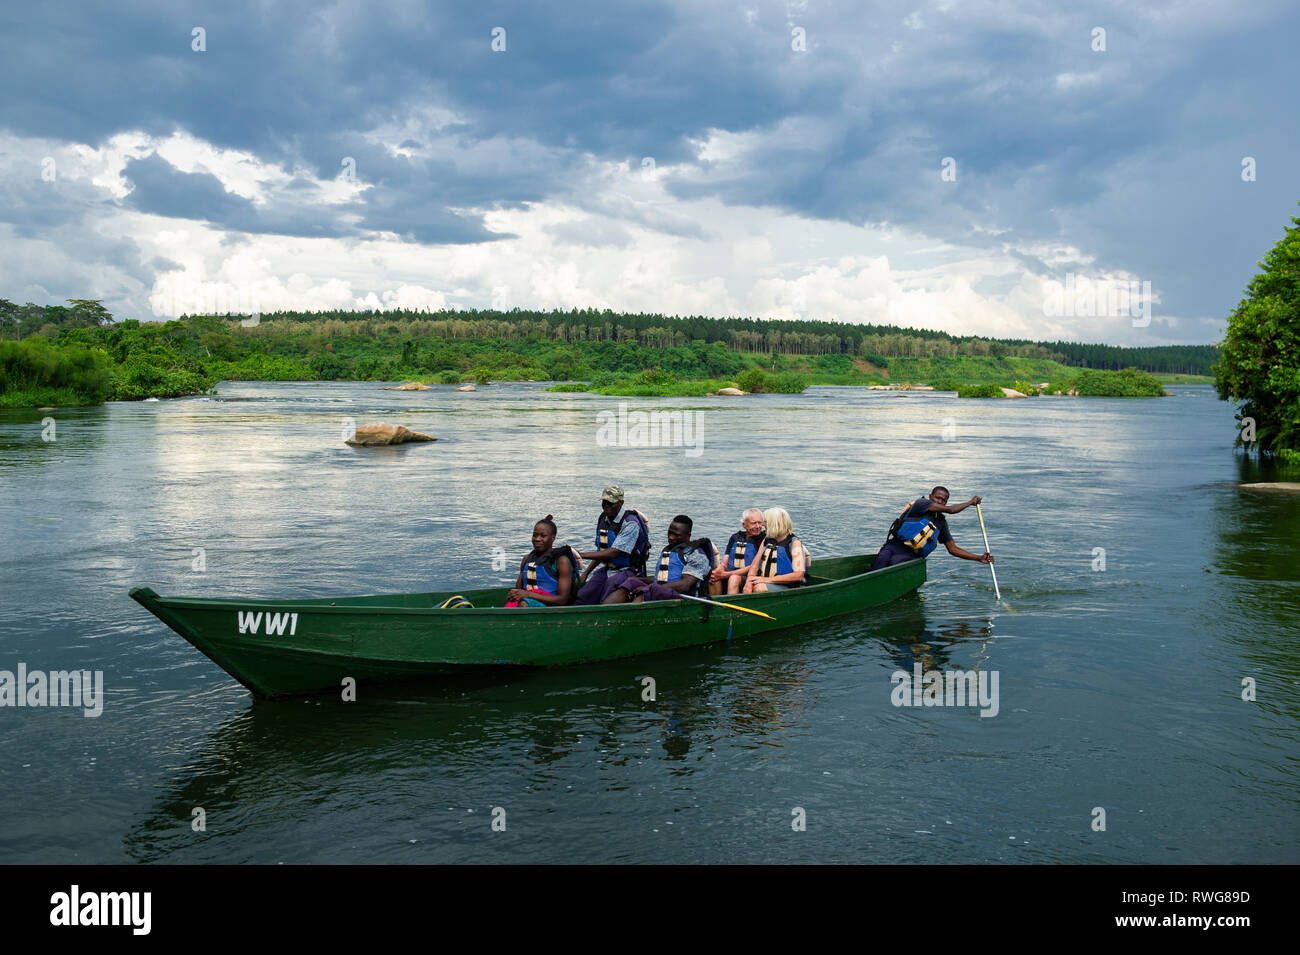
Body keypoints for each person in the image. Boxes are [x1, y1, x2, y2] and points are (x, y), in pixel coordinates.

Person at [870, 486, 994, 570]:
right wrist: (970, 503)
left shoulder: (941, 523)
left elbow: (953, 549)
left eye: (943, 500)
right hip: (894, 546)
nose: (940, 501)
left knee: (894, 563)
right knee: (882, 559)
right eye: (937, 498)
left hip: (912, 556)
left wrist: (979, 558)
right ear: (931, 497)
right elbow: (951, 510)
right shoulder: (921, 504)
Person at [603, 515, 714, 604]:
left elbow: (685, 585)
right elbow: (663, 581)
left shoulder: (697, 555)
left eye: (676, 535)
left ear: (688, 535)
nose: (671, 537)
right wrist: (644, 581)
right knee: (631, 581)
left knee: (646, 592)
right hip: (661, 591)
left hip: (682, 598)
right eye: (670, 533)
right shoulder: (669, 550)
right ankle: (605, 612)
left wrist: (651, 588)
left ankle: (628, 619)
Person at [574, 485, 651, 605]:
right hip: (608, 569)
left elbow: (614, 552)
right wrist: (586, 573)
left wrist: (581, 555)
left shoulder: (630, 523)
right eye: (604, 502)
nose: (606, 505)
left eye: (611, 502)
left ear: (621, 503)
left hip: (628, 571)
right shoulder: (603, 518)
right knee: (583, 595)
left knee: (607, 597)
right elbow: (601, 552)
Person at [506, 516, 581, 607]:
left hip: (551, 606)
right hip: (527, 601)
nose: (537, 539)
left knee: (523, 604)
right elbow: (519, 589)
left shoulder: (561, 561)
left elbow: (562, 600)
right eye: (535, 535)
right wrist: (514, 594)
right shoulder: (526, 559)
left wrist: (529, 595)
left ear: (553, 538)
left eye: (543, 536)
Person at [743, 507, 809, 593]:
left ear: (774, 523)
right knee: (749, 586)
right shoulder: (767, 539)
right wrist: (748, 582)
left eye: (765, 522)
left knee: (759, 587)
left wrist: (766, 580)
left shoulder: (794, 543)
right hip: (766, 582)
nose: (762, 525)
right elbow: (754, 566)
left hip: (789, 587)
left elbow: (798, 575)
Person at [711, 508, 766, 595]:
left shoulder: (764, 539)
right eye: (753, 523)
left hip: (749, 577)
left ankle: (731, 606)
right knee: (713, 575)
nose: (758, 526)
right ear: (744, 525)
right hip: (731, 573)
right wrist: (719, 571)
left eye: (760, 523)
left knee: (734, 578)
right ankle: (715, 603)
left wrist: (726, 575)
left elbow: (755, 566)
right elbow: (725, 562)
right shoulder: (735, 537)